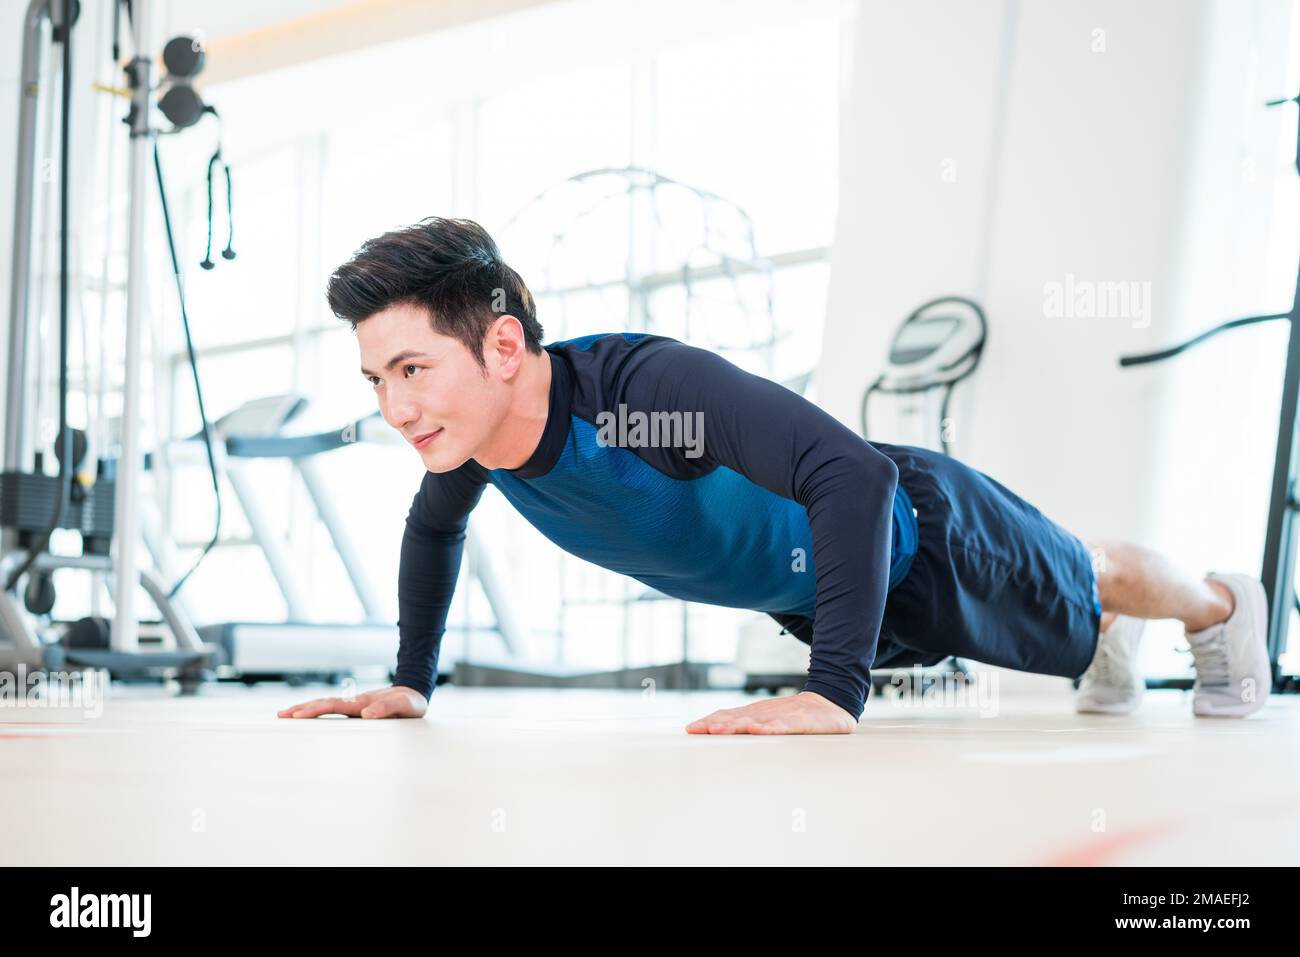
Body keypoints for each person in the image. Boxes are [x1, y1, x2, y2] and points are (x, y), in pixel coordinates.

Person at [278, 217, 1271, 733]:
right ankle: (1099, 633)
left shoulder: (634, 396)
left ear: (500, 345)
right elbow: (432, 531)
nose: (394, 409)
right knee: (1074, 608)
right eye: (376, 380)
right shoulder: (477, 445)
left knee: (1086, 573)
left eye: (412, 371)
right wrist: (412, 684)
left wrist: (831, 695)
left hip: (924, 536)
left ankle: (1222, 605)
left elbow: (851, 475)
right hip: (833, 590)